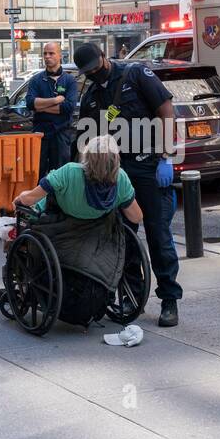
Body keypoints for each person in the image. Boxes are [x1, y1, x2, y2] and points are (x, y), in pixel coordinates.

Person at [74, 43, 182, 327]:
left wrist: (167, 157)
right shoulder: (93, 94)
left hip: (148, 165)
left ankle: (169, 299)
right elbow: (86, 138)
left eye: (95, 68)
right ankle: (132, 296)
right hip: (116, 173)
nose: (94, 74)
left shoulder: (136, 75)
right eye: (88, 73)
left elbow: (166, 110)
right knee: (122, 237)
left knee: (158, 234)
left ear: (103, 57)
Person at [14, 134, 143, 224]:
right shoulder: (121, 177)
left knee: (27, 202)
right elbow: (136, 217)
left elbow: (29, 199)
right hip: (99, 230)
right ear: (115, 159)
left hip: (62, 225)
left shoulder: (69, 171)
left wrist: (20, 198)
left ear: (87, 156)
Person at [25, 42, 79, 178]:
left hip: (61, 134)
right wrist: (55, 101)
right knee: (37, 175)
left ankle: (58, 200)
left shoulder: (69, 80)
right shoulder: (36, 80)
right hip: (40, 134)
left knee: (60, 176)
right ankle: (38, 200)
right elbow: (30, 103)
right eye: (45, 53)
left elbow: (68, 107)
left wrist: (41, 106)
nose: (47, 56)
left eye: (51, 53)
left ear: (60, 55)